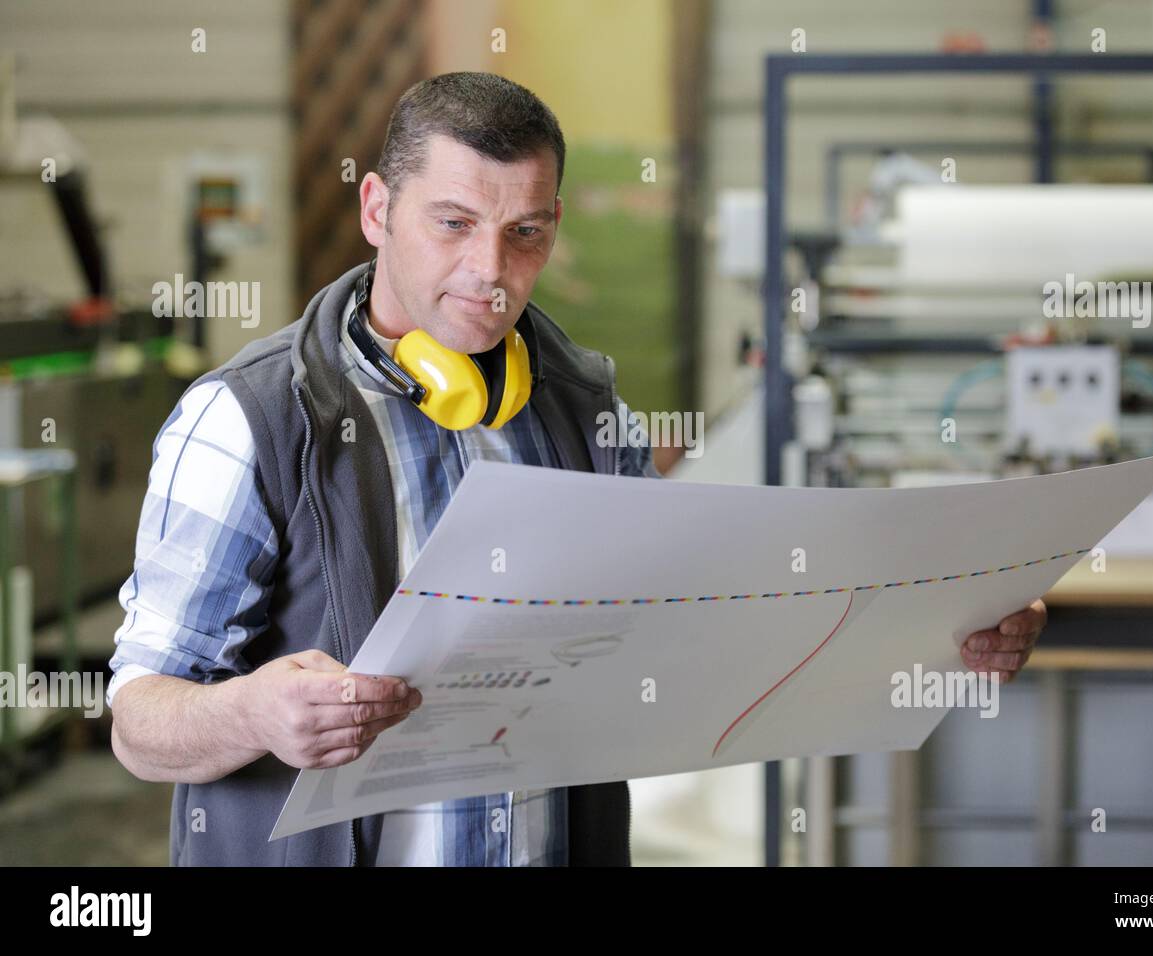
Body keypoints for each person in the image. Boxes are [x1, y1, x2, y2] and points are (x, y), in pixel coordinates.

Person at [107, 71, 1046, 867]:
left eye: (526, 232)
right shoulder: (251, 420)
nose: (492, 270)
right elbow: (139, 722)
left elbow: (685, 636)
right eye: (453, 222)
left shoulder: (582, 408)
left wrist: (935, 635)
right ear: (376, 211)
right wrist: (254, 716)